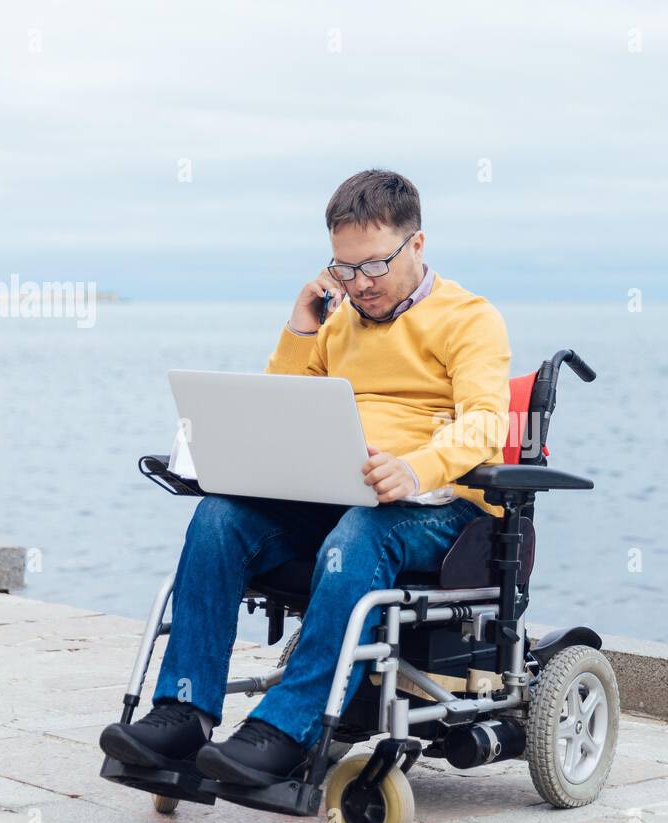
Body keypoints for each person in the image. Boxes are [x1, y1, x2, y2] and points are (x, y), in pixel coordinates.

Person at [99, 169, 512, 783]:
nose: (359, 284)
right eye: (344, 268)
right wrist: (299, 329)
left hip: (438, 507)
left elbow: (483, 423)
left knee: (362, 534)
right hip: (339, 493)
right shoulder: (338, 320)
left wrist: (413, 468)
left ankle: (288, 729)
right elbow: (281, 413)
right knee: (218, 517)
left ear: (417, 245)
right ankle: (183, 711)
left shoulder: (470, 318)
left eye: (372, 266)